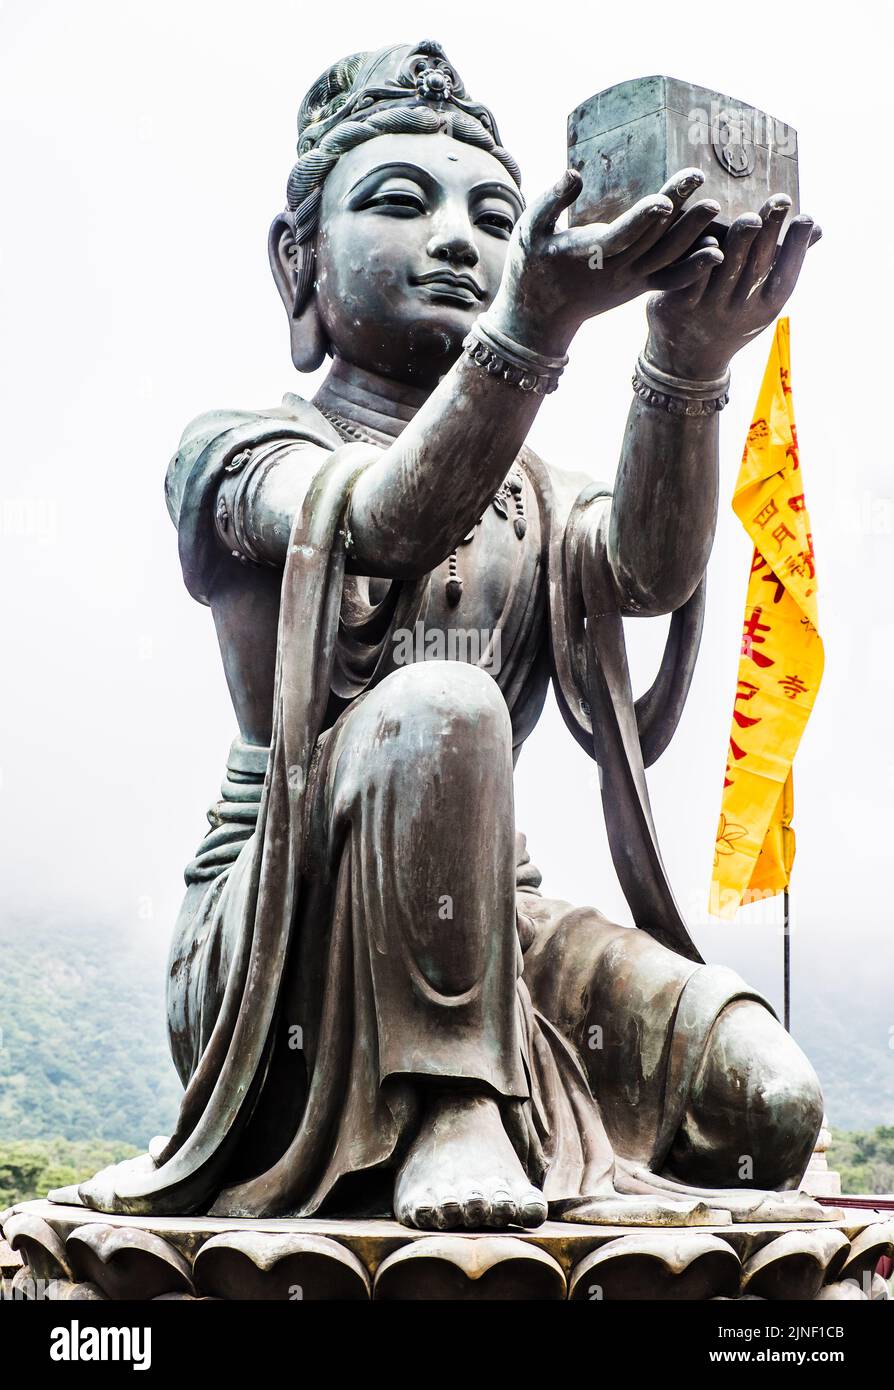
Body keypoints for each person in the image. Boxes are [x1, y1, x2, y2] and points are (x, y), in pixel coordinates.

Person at [79, 40, 824, 1229]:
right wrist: (532, 323)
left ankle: (497, 1091)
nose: (459, 239)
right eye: (398, 201)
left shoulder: (536, 487)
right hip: (283, 926)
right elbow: (381, 523)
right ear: (299, 264)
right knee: (441, 705)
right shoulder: (240, 453)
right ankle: (447, 1101)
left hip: (502, 928)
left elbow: (645, 568)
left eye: (492, 213)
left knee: (767, 1108)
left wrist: (684, 360)